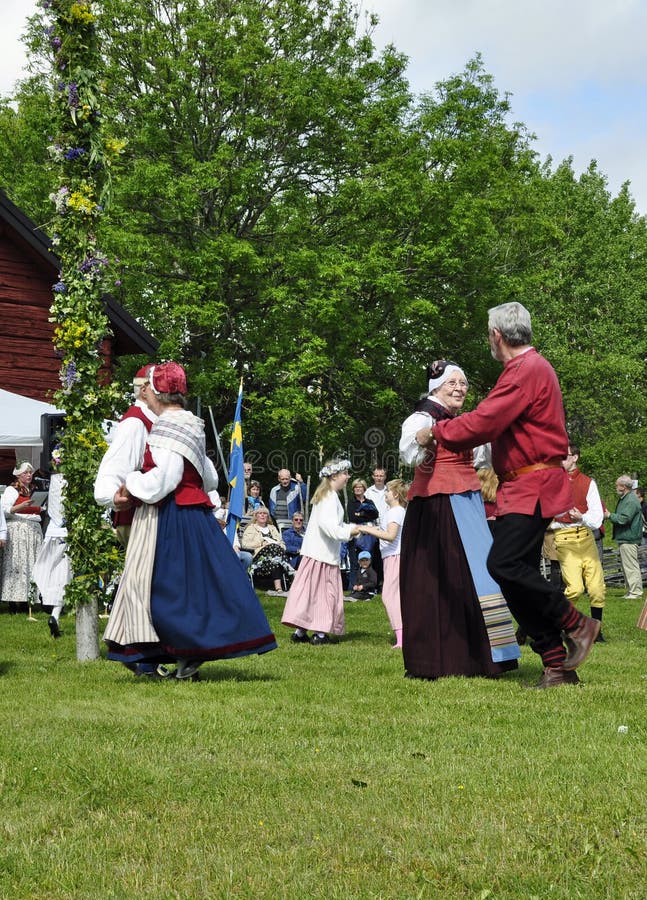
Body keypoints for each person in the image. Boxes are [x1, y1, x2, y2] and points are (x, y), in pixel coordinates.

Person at [428, 302, 600, 687]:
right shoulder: (528, 369)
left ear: (496, 336)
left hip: (531, 486)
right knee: (511, 575)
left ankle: (577, 624)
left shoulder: (525, 371)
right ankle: (557, 666)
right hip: (522, 485)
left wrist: (437, 432)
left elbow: (486, 419)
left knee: (503, 566)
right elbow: (493, 419)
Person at [103, 363, 277, 680]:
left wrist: (132, 482)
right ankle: (170, 655)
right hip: (195, 514)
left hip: (169, 516)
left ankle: (168, 652)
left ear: (155, 391)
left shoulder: (167, 425)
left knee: (159, 588)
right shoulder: (193, 424)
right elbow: (209, 476)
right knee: (200, 586)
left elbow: (164, 480)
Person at [399, 360, 520, 680]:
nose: (460, 388)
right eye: (453, 383)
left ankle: (486, 658)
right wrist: (428, 436)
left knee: (482, 577)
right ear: (435, 387)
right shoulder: (421, 418)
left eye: (463, 384)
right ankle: (436, 660)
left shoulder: (466, 421)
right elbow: (409, 454)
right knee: (434, 580)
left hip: (468, 503)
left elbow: (482, 458)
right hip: (435, 505)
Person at [281, 459, 360, 644]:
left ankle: (300, 632)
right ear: (334, 476)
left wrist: (349, 527)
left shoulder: (327, 496)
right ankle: (320, 634)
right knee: (324, 595)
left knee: (311, 593)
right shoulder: (329, 497)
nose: (348, 477)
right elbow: (330, 528)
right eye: (345, 473)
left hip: (317, 554)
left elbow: (331, 525)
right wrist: (351, 531)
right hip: (322, 556)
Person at [94, 364, 157, 548]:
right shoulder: (135, 422)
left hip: (151, 516)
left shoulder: (154, 420)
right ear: (144, 390)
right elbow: (115, 464)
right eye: (159, 385)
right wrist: (111, 494)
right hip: (140, 518)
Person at [551, 444, 606, 641]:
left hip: (586, 537)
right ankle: (559, 624)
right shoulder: (553, 481)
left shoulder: (588, 483)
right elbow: (548, 511)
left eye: (565, 456)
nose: (561, 460)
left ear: (575, 458)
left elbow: (597, 517)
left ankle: (597, 631)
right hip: (564, 538)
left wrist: (581, 517)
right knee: (574, 588)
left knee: (597, 588)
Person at [357, 478, 407, 648]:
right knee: (396, 597)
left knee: (389, 597)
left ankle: (401, 638)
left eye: (387, 490)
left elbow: (391, 536)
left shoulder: (395, 511)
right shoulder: (395, 511)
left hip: (395, 557)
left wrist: (366, 529)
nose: (385, 493)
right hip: (392, 557)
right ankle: (403, 635)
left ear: (395, 494)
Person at [31, 448, 71, 638]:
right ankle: (55, 612)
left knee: (53, 572)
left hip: (52, 532)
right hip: (65, 532)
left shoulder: (55, 481)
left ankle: (54, 613)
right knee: (63, 574)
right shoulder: (68, 482)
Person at [1, 461, 43, 611]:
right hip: (18, 530)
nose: (29, 475)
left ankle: (27, 598)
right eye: (25, 472)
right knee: (18, 564)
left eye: (30, 472)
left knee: (31, 564)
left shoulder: (33, 489)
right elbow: (5, 510)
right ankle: (13, 599)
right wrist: (22, 506)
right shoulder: (12, 490)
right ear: (18, 475)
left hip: (33, 530)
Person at [604, 475, 643, 599]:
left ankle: (636, 592)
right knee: (627, 566)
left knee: (631, 566)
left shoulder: (630, 500)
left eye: (617, 485)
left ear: (624, 487)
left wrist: (610, 515)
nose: (616, 487)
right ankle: (631, 591)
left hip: (629, 538)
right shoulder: (626, 498)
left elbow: (624, 519)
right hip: (625, 537)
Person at [241, 506, 293, 595]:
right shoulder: (251, 528)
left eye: (265, 513)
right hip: (259, 559)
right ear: (256, 516)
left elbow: (282, 544)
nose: (262, 515)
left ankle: (279, 589)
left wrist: (276, 544)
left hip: (274, 557)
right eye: (260, 513)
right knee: (272, 547)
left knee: (274, 558)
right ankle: (291, 572)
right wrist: (262, 543)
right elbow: (245, 544)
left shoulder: (272, 528)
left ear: (268, 516)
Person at [347, 478, 379, 590]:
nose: (358, 489)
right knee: (355, 562)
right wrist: (366, 514)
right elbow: (352, 517)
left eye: (360, 487)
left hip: (368, 536)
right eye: (356, 487)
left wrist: (360, 513)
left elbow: (375, 515)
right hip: (355, 535)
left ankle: (369, 587)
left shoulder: (369, 502)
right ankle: (353, 587)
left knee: (369, 561)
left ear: (364, 488)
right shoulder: (351, 503)